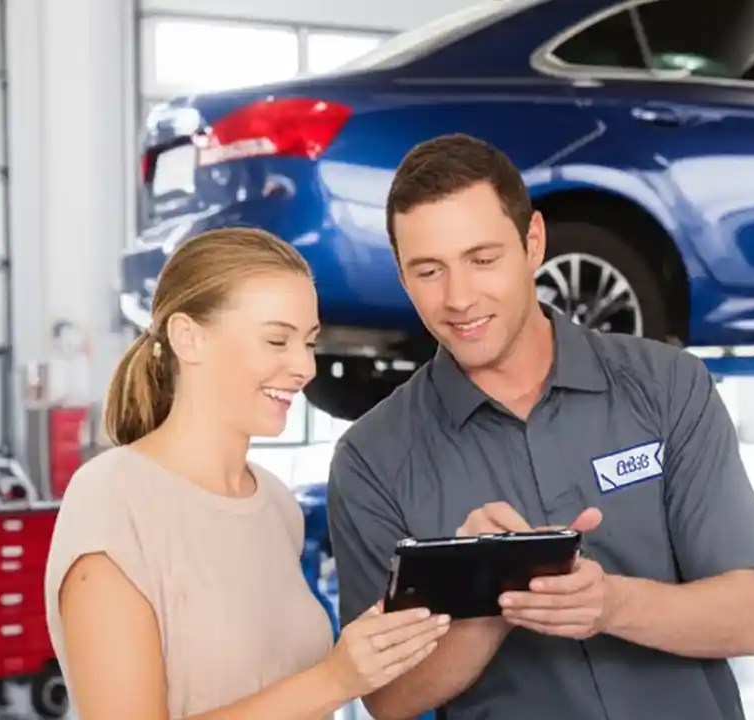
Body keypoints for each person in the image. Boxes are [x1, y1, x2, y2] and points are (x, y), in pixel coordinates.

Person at [327, 134, 754, 720]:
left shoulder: (670, 387)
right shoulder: (372, 457)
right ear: (401, 274)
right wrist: (483, 601)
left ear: (533, 241)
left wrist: (610, 604)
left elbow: (751, 618)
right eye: (429, 271)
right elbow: (388, 699)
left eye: (482, 259)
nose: (459, 297)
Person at [43, 227, 449, 720]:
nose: (304, 367)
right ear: (188, 338)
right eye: (277, 339)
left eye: (309, 342)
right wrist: (334, 679)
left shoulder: (275, 503)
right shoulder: (113, 499)